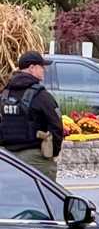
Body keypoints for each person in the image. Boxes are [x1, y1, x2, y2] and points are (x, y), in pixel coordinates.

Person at [0, 52, 63, 181]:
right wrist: (52, 153)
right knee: (45, 197)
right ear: (32, 68)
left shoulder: (5, 93)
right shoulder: (41, 96)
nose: (44, 70)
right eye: (42, 66)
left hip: (7, 158)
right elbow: (56, 126)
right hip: (35, 159)